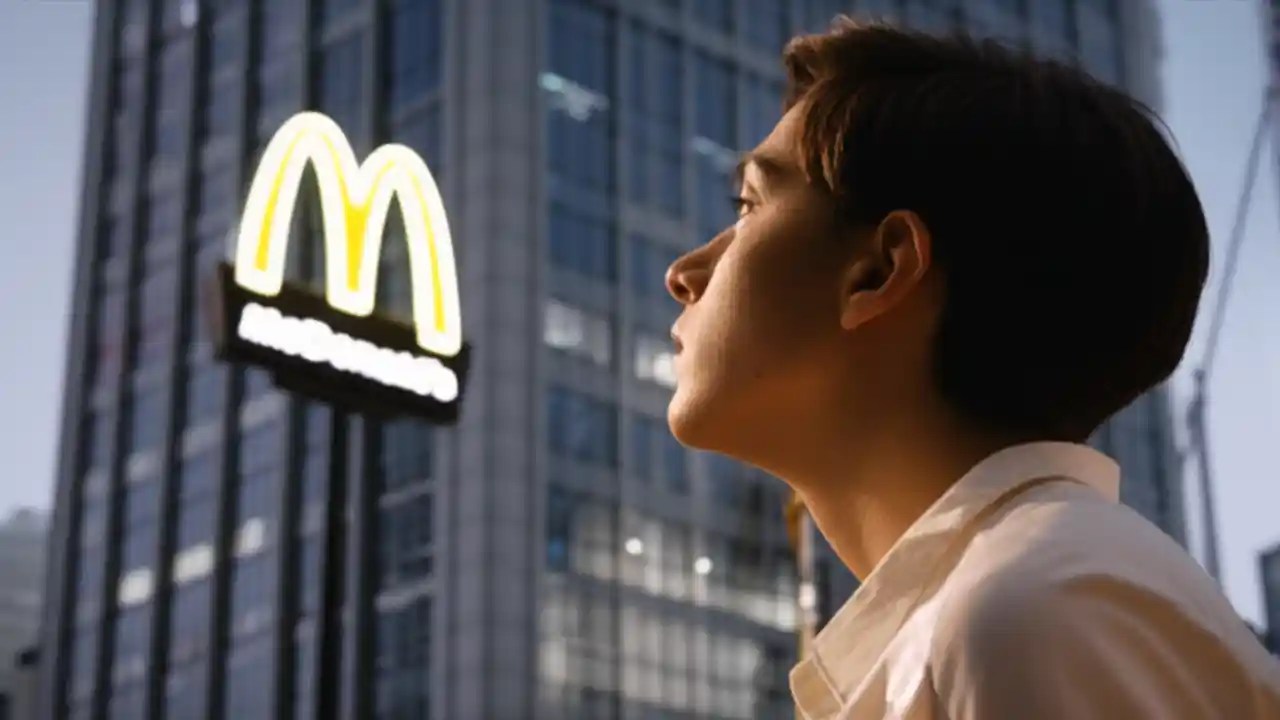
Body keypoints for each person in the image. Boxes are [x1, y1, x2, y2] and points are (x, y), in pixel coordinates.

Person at [664, 18, 1280, 720]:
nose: (684, 273)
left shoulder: (1039, 605)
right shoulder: (1018, 600)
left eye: (748, 205)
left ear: (879, 270)